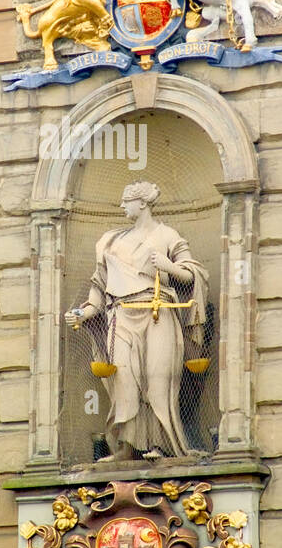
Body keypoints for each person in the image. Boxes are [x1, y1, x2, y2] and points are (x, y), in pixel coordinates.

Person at [66, 181, 208, 459]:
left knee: (157, 379)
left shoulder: (166, 234)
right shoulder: (110, 241)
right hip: (120, 315)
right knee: (125, 382)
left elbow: (194, 275)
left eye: (126, 201)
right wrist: (84, 313)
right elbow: (99, 290)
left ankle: (160, 445)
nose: (121, 206)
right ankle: (126, 449)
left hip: (158, 314)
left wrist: (170, 268)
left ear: (142, 203)